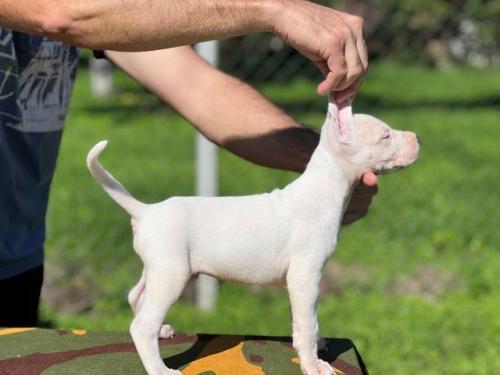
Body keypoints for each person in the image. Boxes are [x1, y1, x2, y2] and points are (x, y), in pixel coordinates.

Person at [0, 0, 377, 327]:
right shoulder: (72, 12)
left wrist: (329, 164)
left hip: (19, 254)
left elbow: (201, 90)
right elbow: (60, 13)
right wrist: (273, 9)